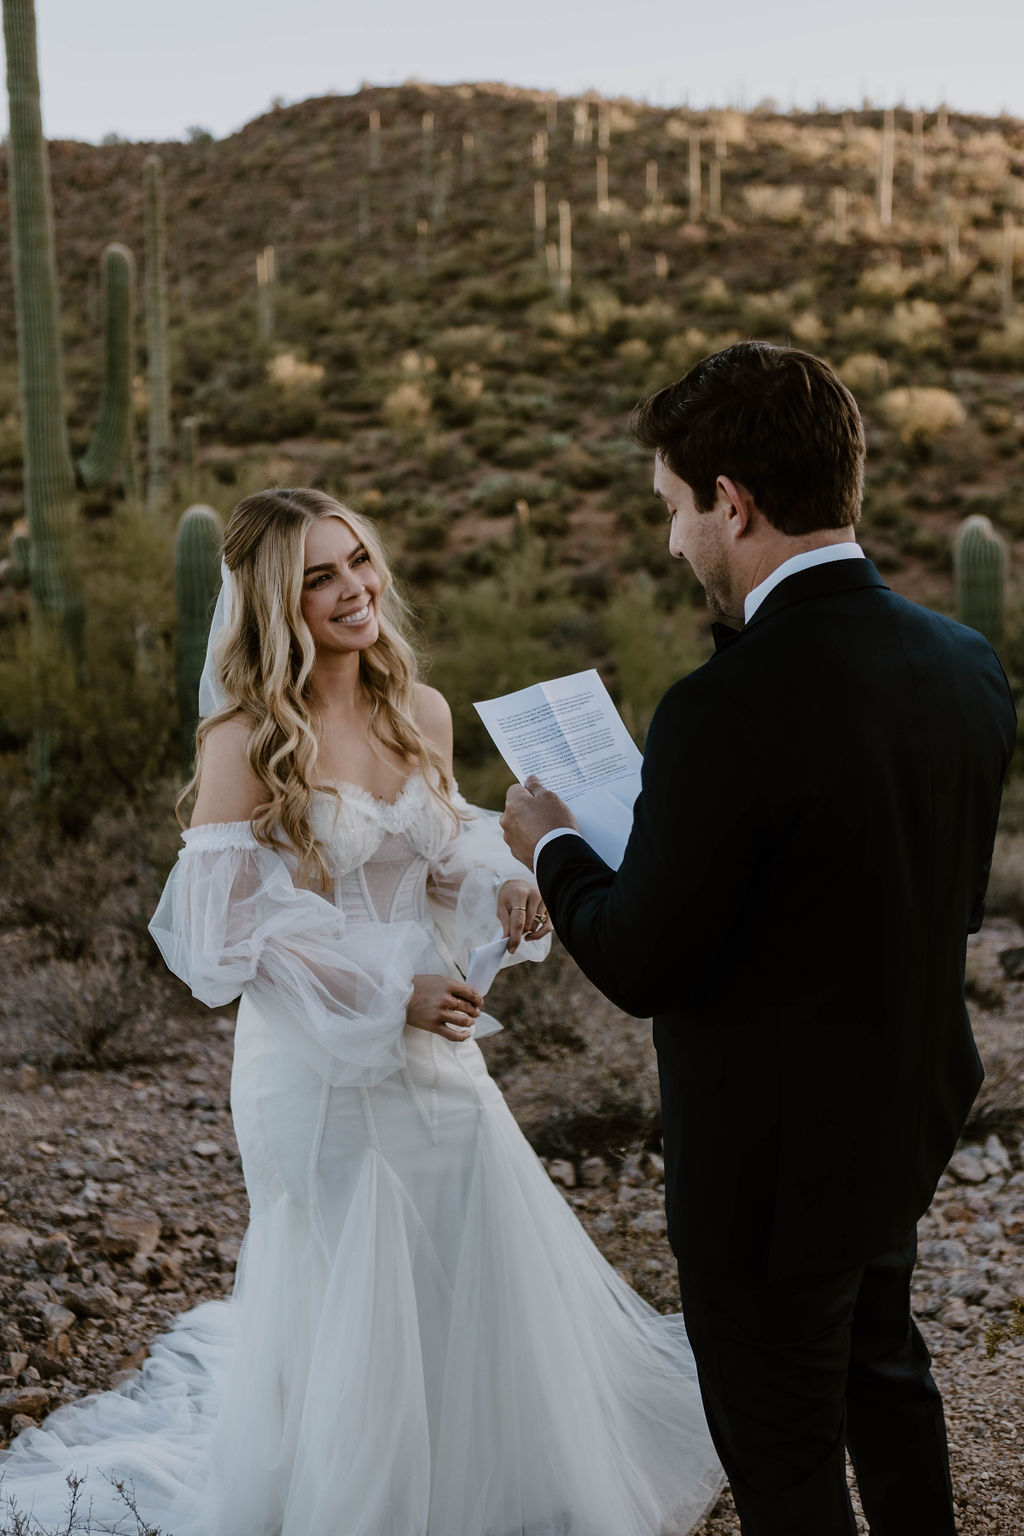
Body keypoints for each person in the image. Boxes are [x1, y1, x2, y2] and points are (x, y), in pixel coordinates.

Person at [0, 488, 723, 1536]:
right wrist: (395, 991)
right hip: (316, 1067)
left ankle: (485, 1492)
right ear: (273, 607)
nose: (354, 591)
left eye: (359, 563)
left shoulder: (414, 710)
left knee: (469, 1247)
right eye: (320, 579)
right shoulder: (245, 740)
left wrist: (506, 884)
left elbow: (437, 857)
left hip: (435, 1056)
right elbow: (227, 936)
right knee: (355, 1286)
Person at [501, 342, 1018, 1536]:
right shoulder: (967, 665)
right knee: (884, 1373)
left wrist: (550, 844)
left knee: (782, 1455)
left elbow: (639, 962)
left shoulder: (722, 707)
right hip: (909, 1111)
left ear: (729, 501)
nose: (674, 542)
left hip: (768, 1163)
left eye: (676, 512)